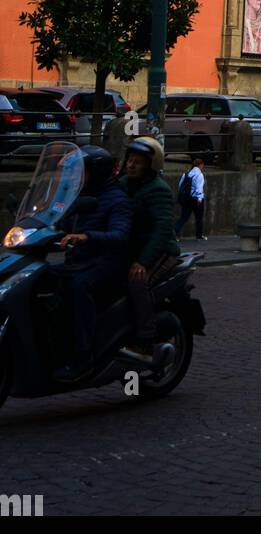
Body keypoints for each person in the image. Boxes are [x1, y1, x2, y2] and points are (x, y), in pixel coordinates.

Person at [55, 147, 133, 381]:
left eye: (82, 172)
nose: (76, 178)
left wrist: (87, 236)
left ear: (96, 173)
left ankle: (84, 355)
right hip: (80, 260)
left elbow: (120, 235)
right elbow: (61, 220)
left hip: (106, 262)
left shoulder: (118, 200)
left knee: (80, 287)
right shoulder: (78, 196)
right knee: (41, 278)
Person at [118, 138, 180, 362]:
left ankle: (145, 341)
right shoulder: (123, 184)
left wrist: (142, 262)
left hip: (159, 252)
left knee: (137, 281)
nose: (131, 166)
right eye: (130, 161)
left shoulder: (158, 190)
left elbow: (163, 229)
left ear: (150, 166)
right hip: (130, 248)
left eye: (138, 162)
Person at [175, 157, 206, 240]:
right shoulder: (199, 175)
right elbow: (199, 188)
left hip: (187, 199)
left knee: (183, 217)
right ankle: (199, 235)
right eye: (203, 165)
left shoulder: (186, 173)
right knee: (199, 218)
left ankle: (174, 234)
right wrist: (199, 198)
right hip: (196, 199)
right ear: (201, 165)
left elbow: (180, 185)